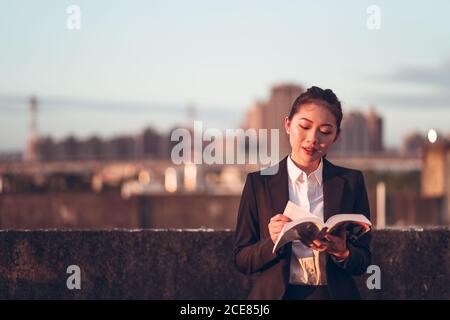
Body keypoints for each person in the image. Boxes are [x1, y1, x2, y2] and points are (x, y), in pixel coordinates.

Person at [233, 86, 372, 300]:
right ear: (288, 124)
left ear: (336, 136)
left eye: (325, 132)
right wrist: (273, 241)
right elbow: (242, 259)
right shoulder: (258, 183)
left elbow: (363, 261)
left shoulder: (351, 182)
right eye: (305, 127)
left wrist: (342, 252)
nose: (313, 138)